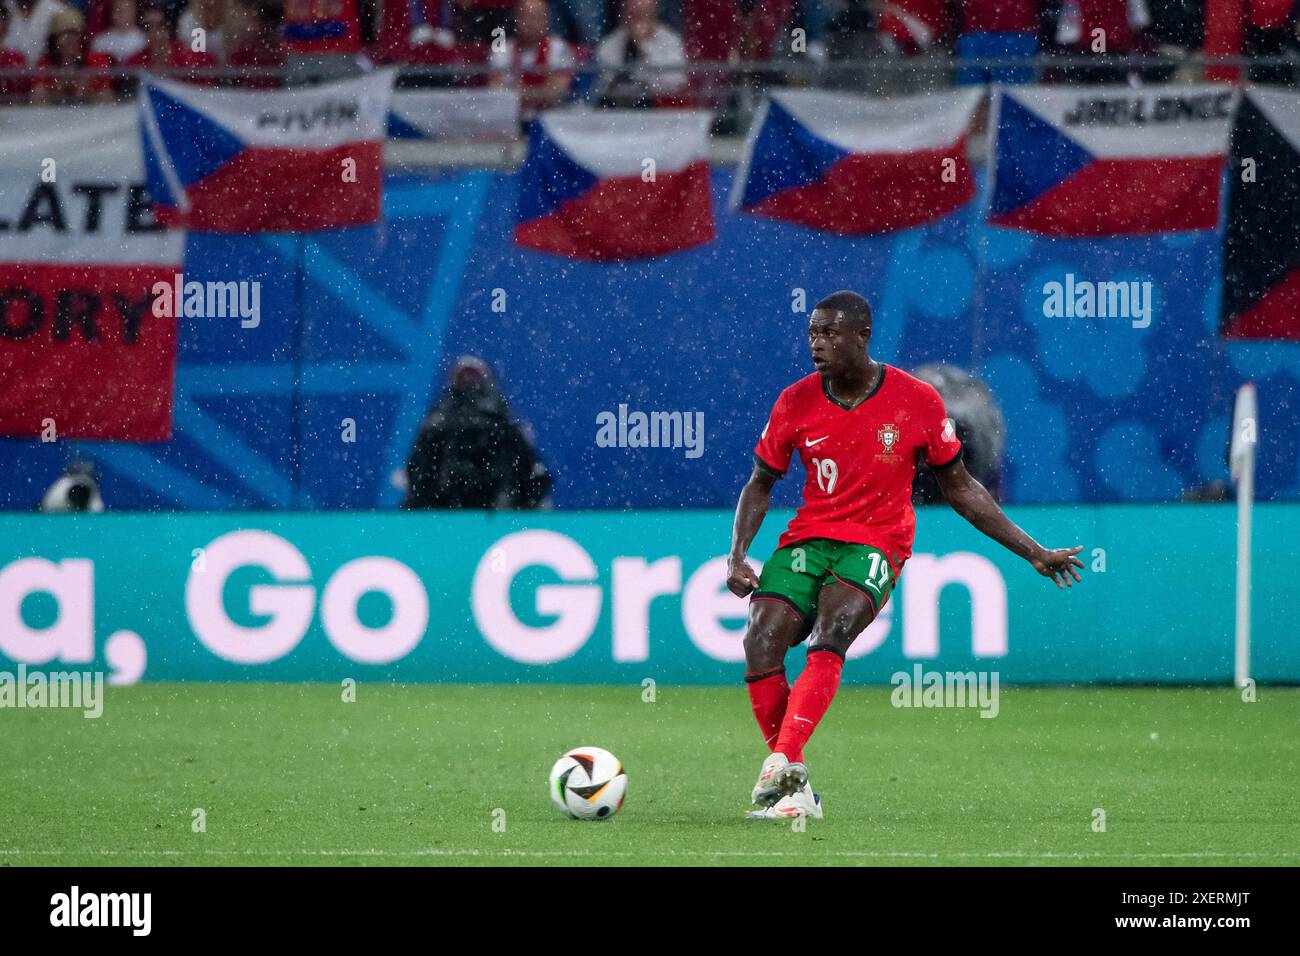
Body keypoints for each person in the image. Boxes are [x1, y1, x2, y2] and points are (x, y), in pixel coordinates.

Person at [726, 291, 1083, 820]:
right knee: (761, 638)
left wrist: (1031, 551)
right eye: (812, 334)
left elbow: (962, 487)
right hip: (808, 537)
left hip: (876, 540)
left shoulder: (916, 400)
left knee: (832, 631)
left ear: (862, 336)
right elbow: (760, 482)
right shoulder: (794, 401)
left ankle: (781, 763)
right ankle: (792, 781)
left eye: (829, 333)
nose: (817, 344)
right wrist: (737, 554)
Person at [403, 356, 552, 510]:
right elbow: (418, 473)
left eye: (474, 377)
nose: (469, 383)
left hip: (494, 518)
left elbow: (530, 477)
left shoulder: (504, 428)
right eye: (464, 378)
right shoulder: (437, 425)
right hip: (448, 517)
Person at [488, 0, 572, 118]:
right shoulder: (501, 49)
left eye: (537, 17)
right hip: (511, 118)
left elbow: (557, 91)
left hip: (548, 120)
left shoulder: (558, 48)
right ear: (516, 18)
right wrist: (538, 93)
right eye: (526, 16)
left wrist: (518, 94)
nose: (531, 23)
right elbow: (495, 91)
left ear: (547, 20)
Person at [595, 0, 686, 107]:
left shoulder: (670, 40)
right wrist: (629, 44)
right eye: (634, 14)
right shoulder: (609, 44)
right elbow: (603, 84)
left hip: (657, 111)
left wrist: (643, 48)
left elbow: (676, 83)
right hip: (615, 111)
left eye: (644, 14)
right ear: (624, 13)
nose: (639, 22)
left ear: (654, 11)